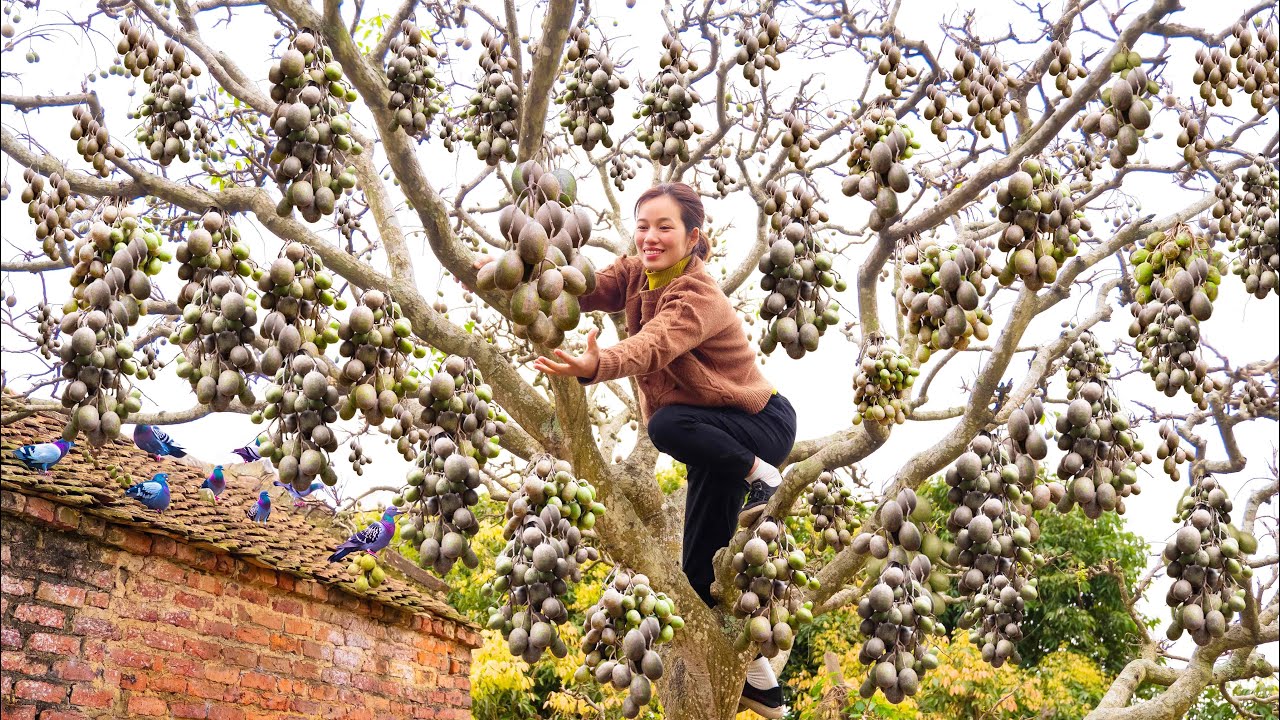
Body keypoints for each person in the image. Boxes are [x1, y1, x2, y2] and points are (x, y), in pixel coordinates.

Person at [479, 182, 796, 718]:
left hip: (757, 424)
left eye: (665, 227)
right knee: (698, 573)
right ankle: (764, 687)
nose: (650, 237)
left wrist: (595, 366)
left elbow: (654, 345)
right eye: (643, 225)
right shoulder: (634, 274)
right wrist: (522, 269)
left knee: (665, 425)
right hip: (712, 446)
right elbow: (584, 288)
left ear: (693, 237)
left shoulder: (698, 296)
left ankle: (764, 474)